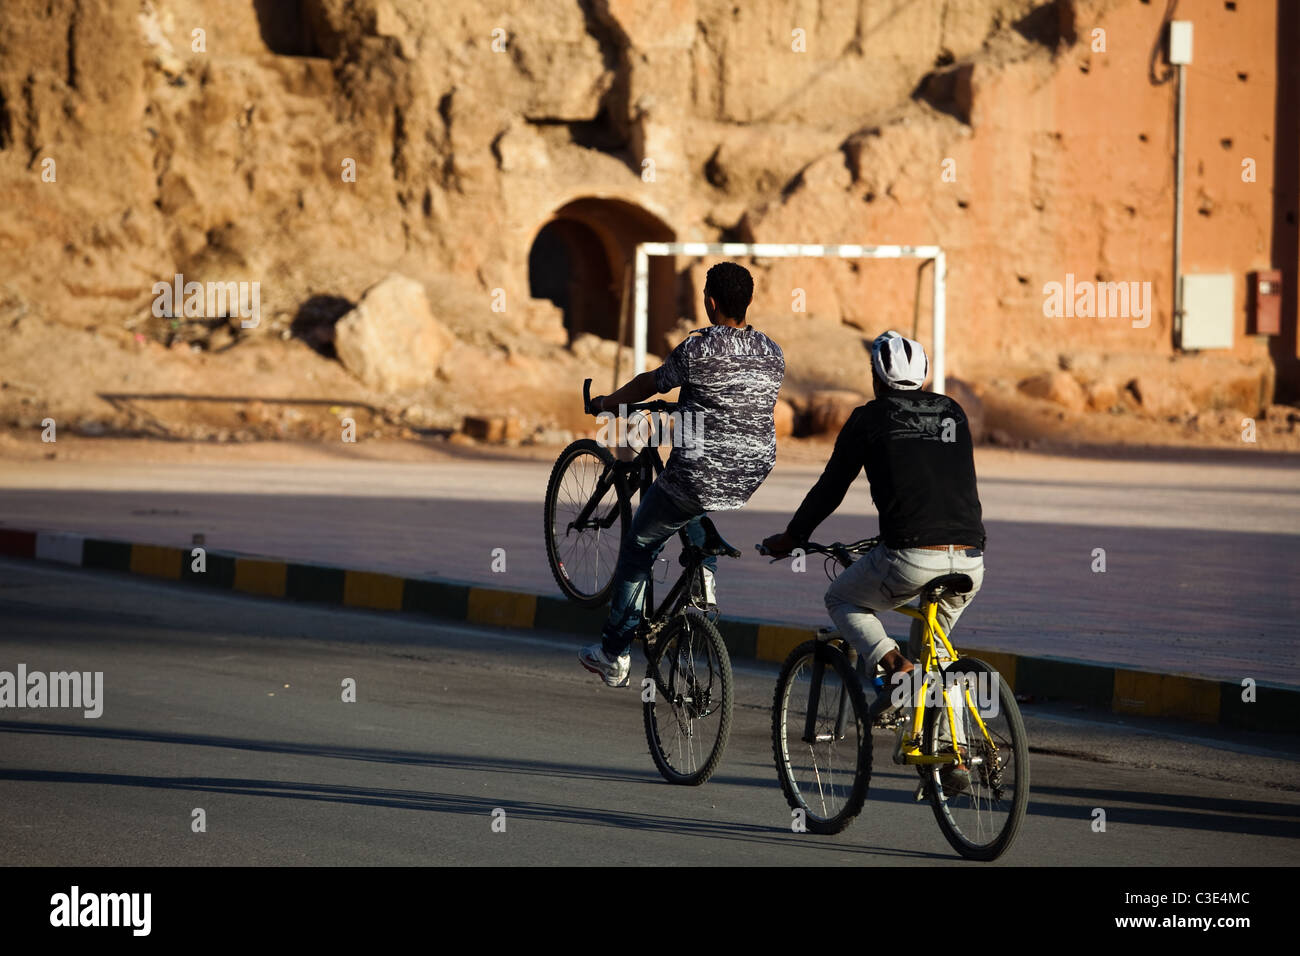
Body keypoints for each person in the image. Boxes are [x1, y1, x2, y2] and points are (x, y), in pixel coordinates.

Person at [761, 330, 986, 720]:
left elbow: (831, 487)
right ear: (925, 374)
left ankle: (894, 663)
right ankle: (955, 757)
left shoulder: (869, 418)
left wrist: (792, 538)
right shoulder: (953, 411)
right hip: (970, 558)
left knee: (842, 599)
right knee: (935, 659)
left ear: (876, 379)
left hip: (911, 557)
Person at [579, 262, 785, 687]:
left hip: (702, 470)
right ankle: (703, 570)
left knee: (639, 546)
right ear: (747, 302)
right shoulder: (772, 351)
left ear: (710, 302)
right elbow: (731, 403)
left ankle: (612, 653)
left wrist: (606, 403)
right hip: (753, 468)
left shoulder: (698, 348)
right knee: (690, 502)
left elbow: (650, 384)